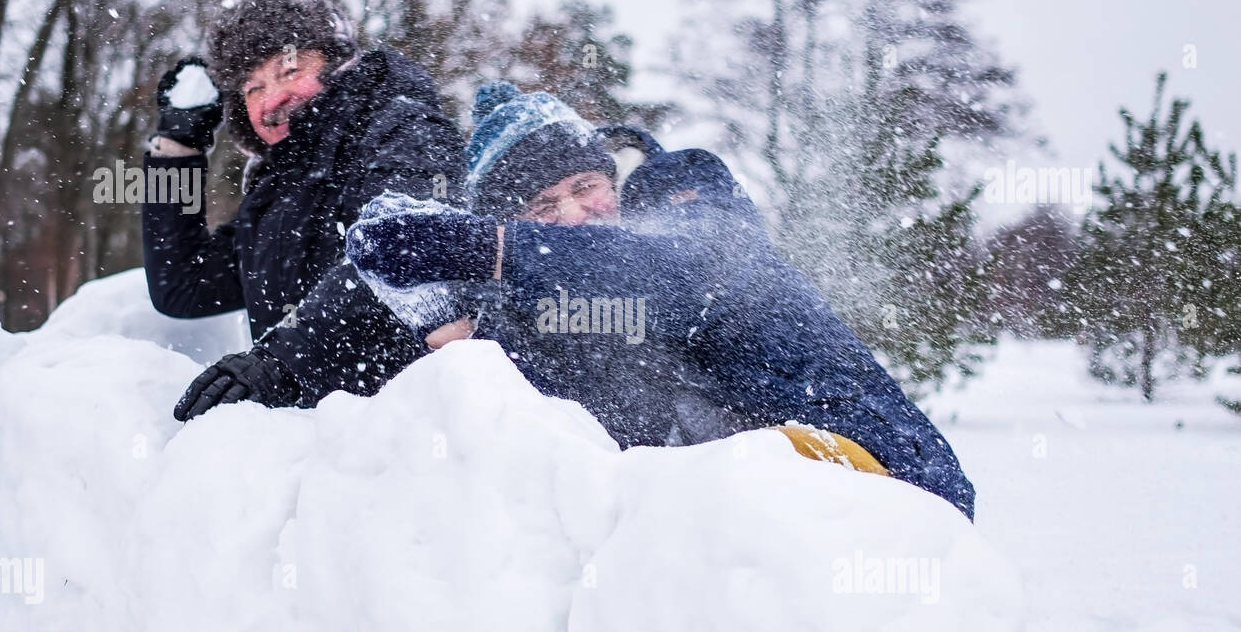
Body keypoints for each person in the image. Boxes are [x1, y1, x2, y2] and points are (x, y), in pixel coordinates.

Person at [346, 82, 976, 519]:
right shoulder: (582, 316)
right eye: (542, 206)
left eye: (586, 186)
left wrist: (486, 246)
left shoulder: (694, 223)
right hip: (763, 547)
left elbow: (674, 274)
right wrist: (439, 318)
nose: (571, 216)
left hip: (884, 477)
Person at [141, 0, 464, 419]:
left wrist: (276, 362)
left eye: (289, 70)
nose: (272, 99)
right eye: (252, 88)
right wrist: (177, 150)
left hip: (406, 442)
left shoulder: (401, 127)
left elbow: (403, 249)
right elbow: (184, 287)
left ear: (336, 63)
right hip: (309, 451)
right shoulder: (277, 192)